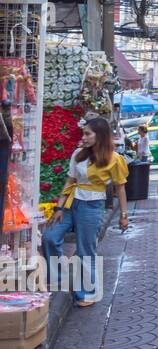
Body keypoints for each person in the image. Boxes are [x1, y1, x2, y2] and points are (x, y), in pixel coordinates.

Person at [42, 117, 128, 307]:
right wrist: (59, 206)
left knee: (85, 251)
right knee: (49, 236)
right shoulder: (78, 154)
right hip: (71, 204)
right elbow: (70, 181)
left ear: (101, 135)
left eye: (88, 133)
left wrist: (123, 215)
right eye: (84, 133)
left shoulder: (114, 159)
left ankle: (87, 292)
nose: (84, 137)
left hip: (91, 207)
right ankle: (59, 278)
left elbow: (120, 188)